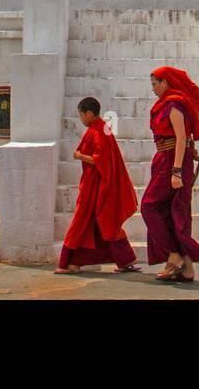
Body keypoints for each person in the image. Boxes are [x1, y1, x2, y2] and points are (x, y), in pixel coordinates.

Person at [55, 96, 140, 274]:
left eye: (81, 115)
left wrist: (79, 156)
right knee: (101, 223)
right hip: (98, 183)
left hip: (96, 185)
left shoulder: (98, 130)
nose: (81, 119)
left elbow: (102, 160)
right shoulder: (102, 128)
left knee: (83, 221)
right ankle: (122, 260)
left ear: (89, 113)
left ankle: (71, 263)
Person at [140, 65, 199, 281]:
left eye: (155, 84)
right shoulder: (165, 104)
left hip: (172, 160)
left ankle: (174, 253)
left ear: (165, 82)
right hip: (164, 158)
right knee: (172, 211)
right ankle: (187, 269)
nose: (153, 89)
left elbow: (181, 137)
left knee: (149, 206)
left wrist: (176, 171)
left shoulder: (175, 104)